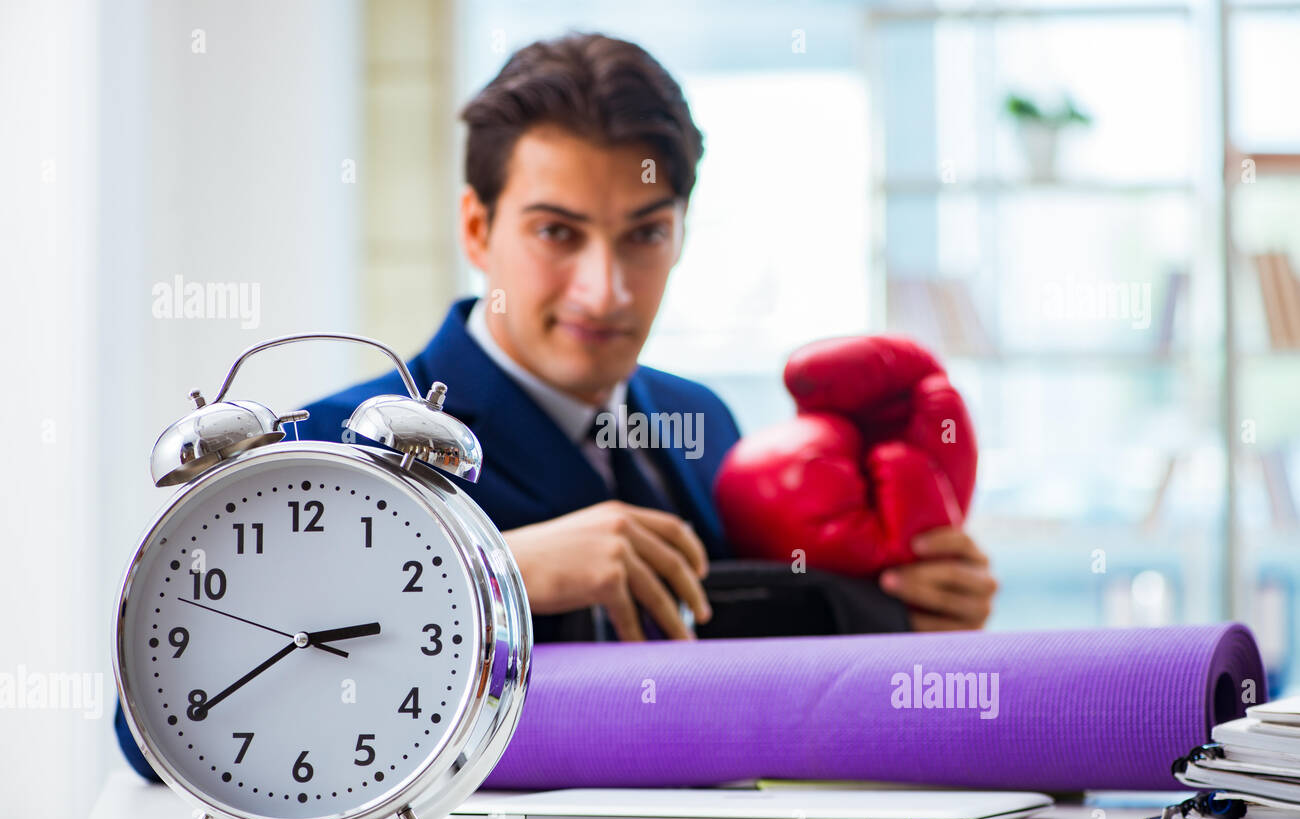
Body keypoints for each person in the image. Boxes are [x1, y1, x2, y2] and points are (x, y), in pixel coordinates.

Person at [115, 31, 997, 781]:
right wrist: (496, 574)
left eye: (645, 232)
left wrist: (905, 615)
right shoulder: (321, 448)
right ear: (476, 228)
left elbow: (760, 671)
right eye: (557, 232)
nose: (606, 288)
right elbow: (154, 724)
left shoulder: (706, 428)